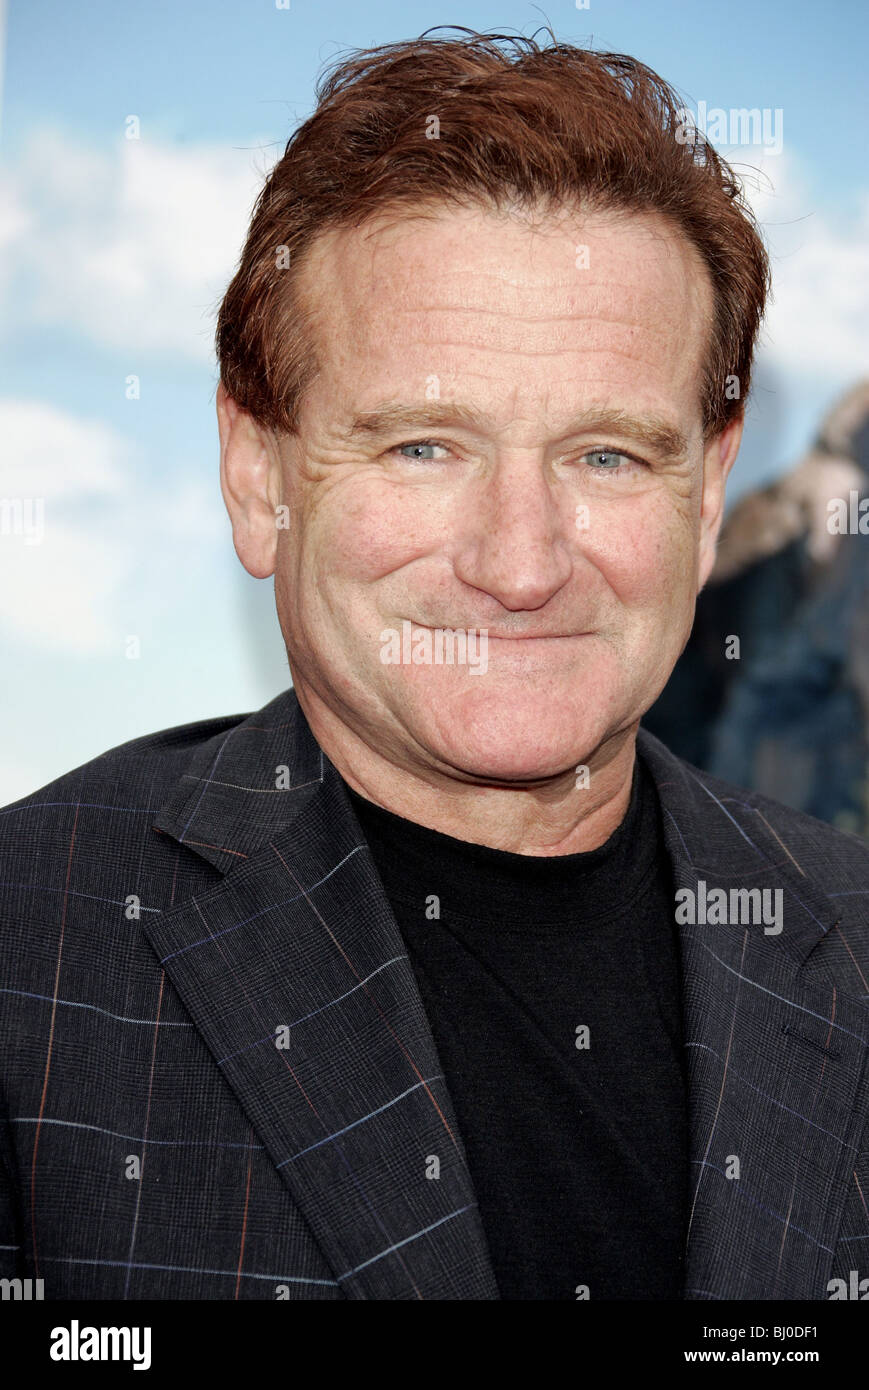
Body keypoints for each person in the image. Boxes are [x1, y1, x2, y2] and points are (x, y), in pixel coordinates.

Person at [1, 29, 867, 1303]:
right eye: (421, 446)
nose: (519, 564)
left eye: (607, 456)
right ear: (255, 474)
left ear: (703, 497)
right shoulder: (27, 948)